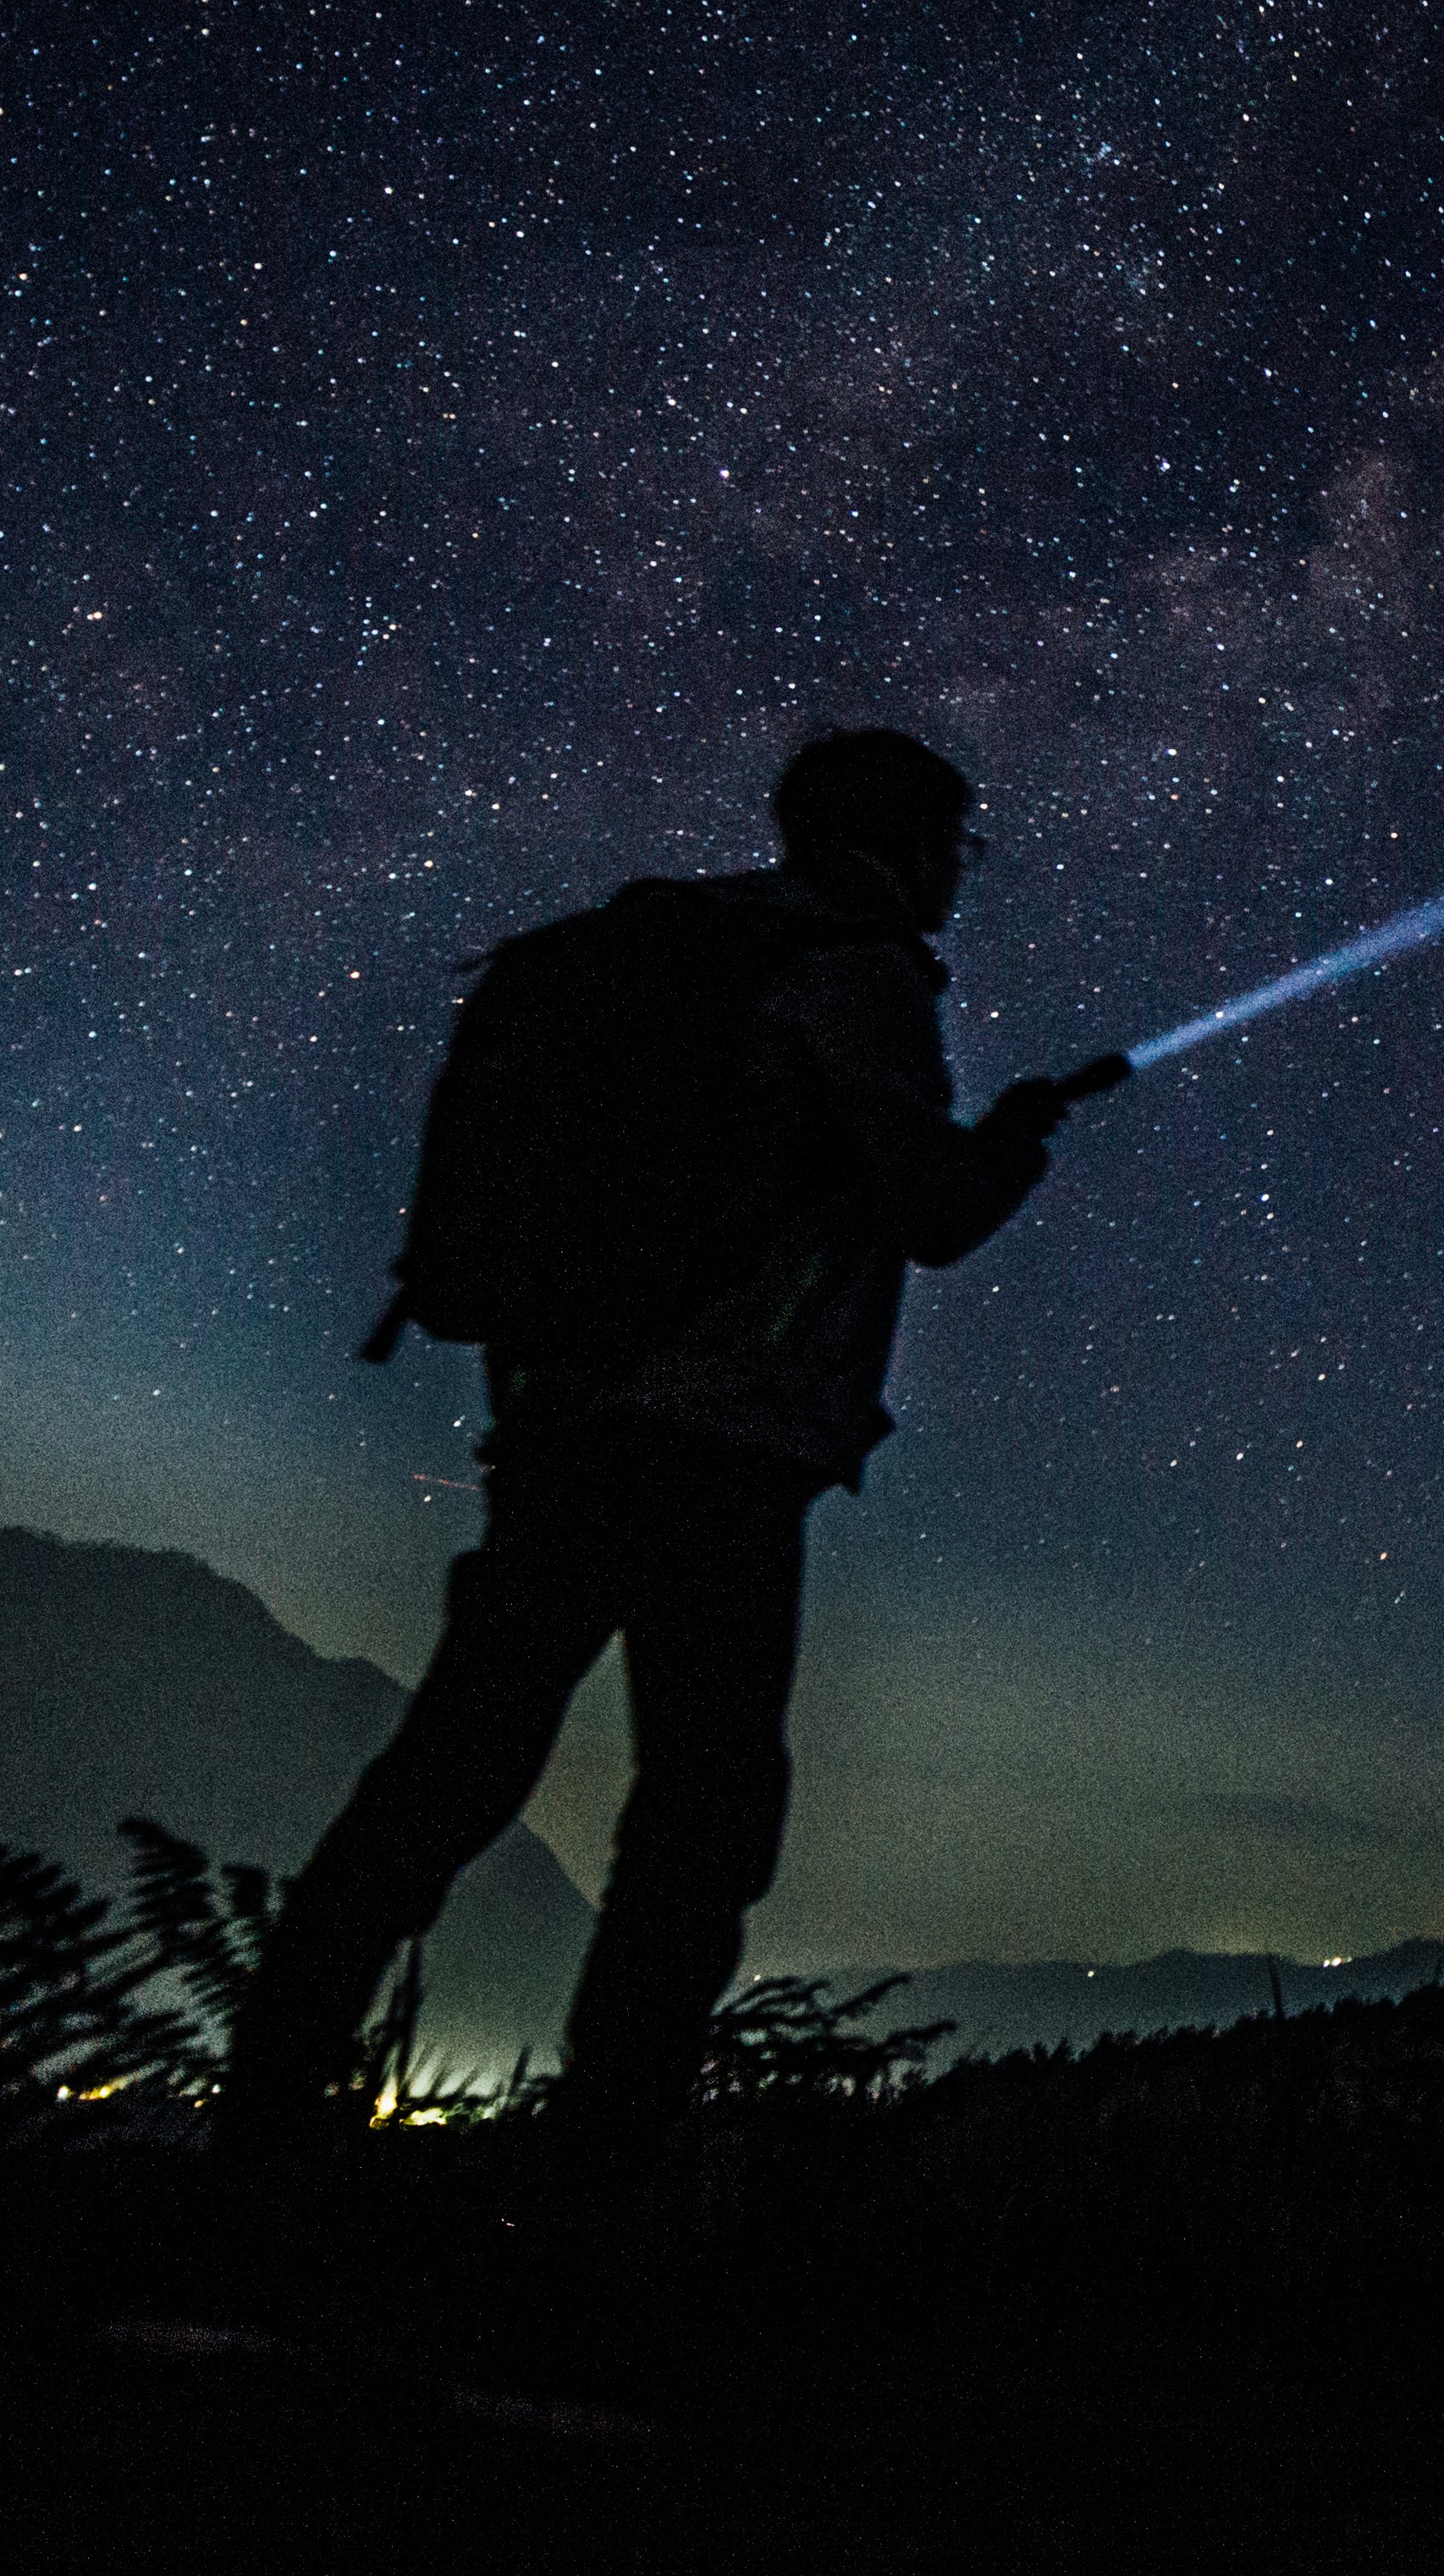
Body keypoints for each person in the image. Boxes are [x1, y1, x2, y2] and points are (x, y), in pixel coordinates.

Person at [228, 728, 1088, 2196]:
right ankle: (598, 2178)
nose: (963, 874)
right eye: (962, 844)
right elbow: (932, 1208)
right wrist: (1015, 1135)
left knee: (448, 1771)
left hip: (565, 1421)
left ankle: (256, 2127)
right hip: (723, 1454)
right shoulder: (855, 967)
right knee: (700, 1814)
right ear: (912, 842)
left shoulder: (678, 945)